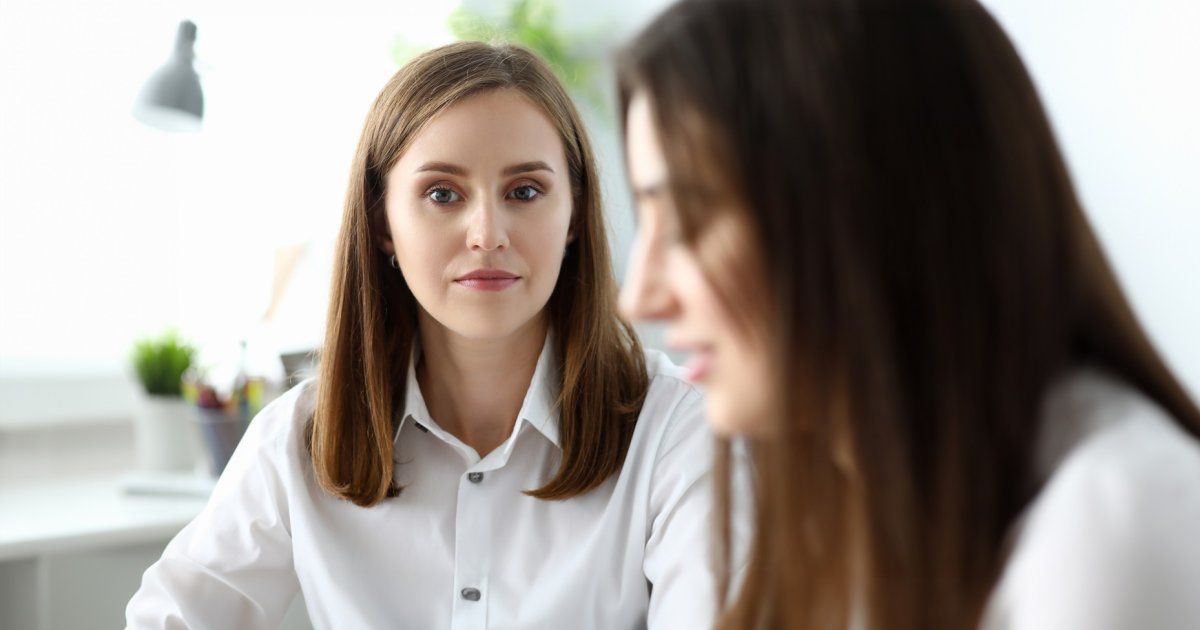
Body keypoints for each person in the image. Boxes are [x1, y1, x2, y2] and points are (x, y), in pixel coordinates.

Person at [616, 0, 1200, 629]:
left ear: (860, 210)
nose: (639, 296)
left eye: (685, 221)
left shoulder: (1105, 531)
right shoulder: (852, 512)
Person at [127, 41, 722, 629]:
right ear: (383, 221)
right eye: (442, 194)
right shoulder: (296, 440)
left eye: (524, 192)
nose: (487, 234)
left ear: (574, 213)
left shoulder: (675, 431)